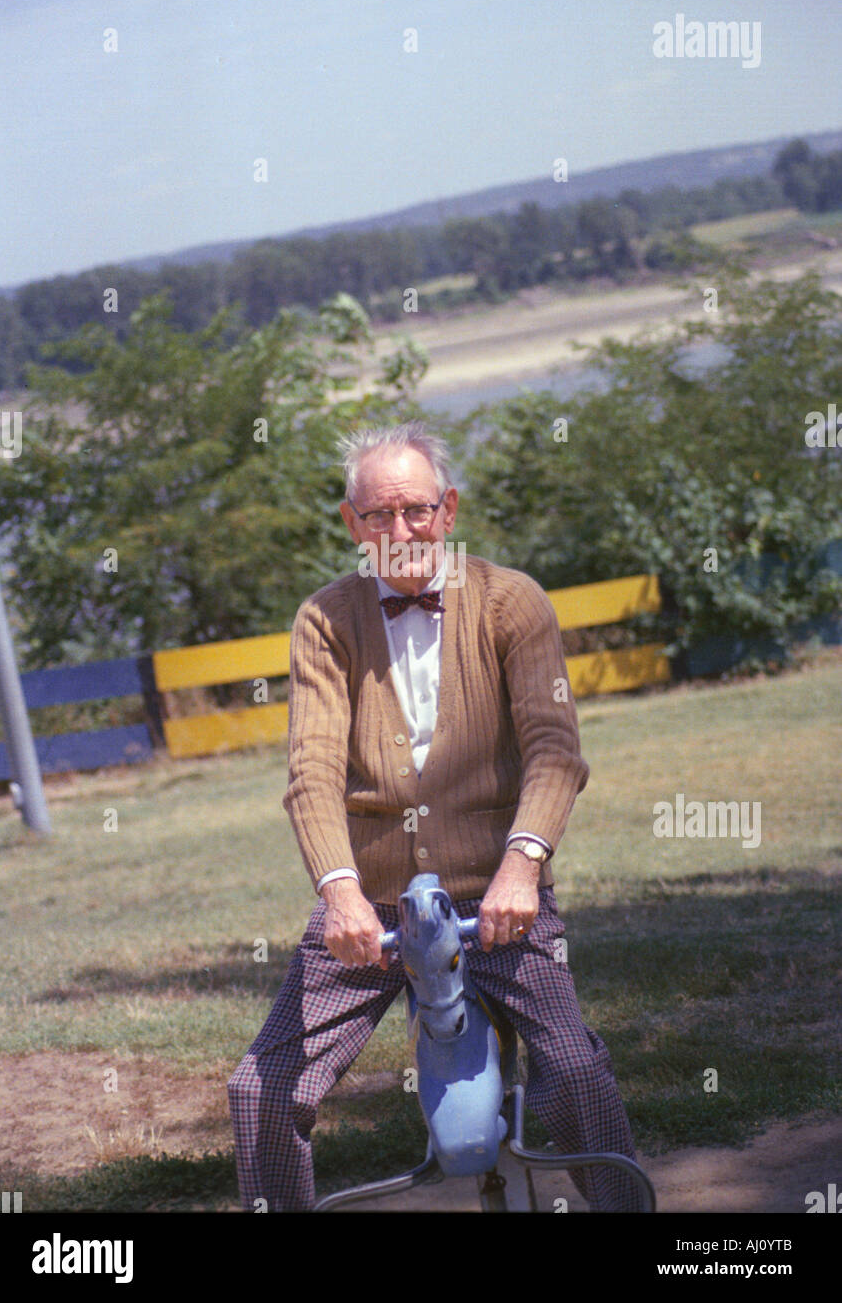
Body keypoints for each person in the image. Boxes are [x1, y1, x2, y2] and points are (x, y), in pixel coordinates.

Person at [228, 420, 643, 1211]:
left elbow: (555, 751)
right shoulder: (324, 619)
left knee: (574, 1078)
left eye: (416, 509)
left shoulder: (512, 601)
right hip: (372, 903)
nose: (400, 530)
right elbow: (311, 771)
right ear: (353, 526)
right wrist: (339, 893)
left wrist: (523, 869)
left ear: (448, 511)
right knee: (261, 1090)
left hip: (498, 895)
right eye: (378, 516)